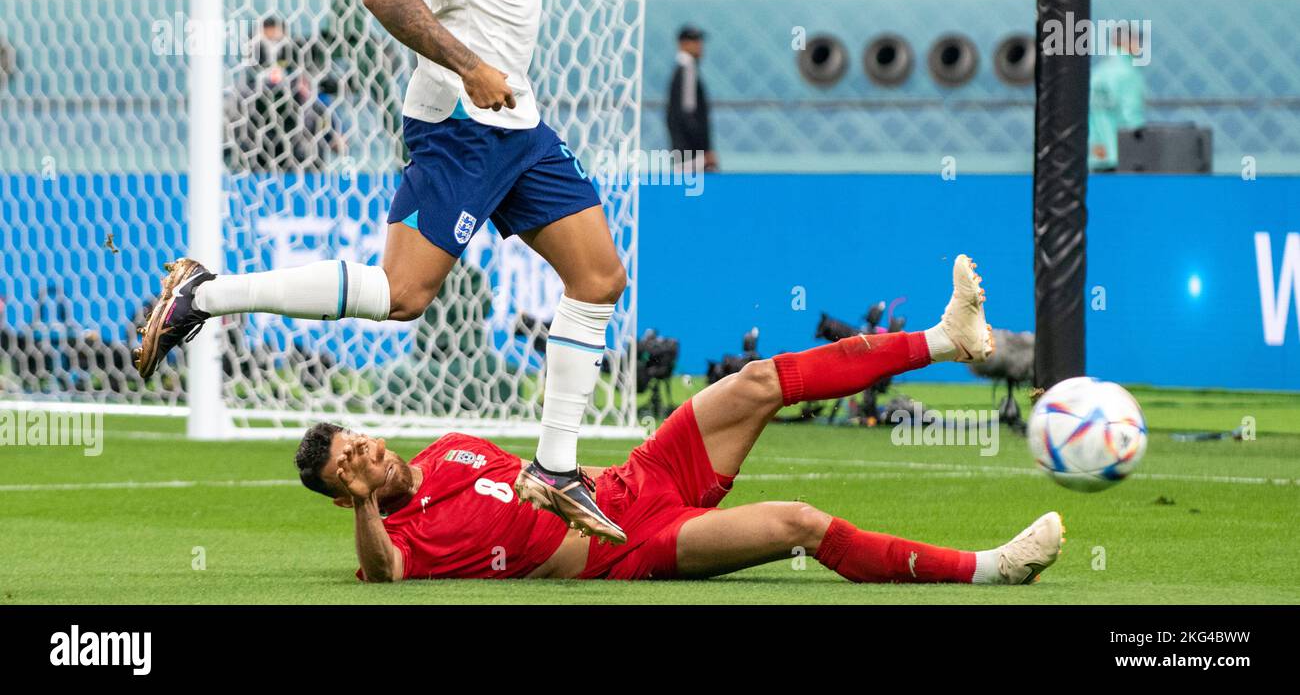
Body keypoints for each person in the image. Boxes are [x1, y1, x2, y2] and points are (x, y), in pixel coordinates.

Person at [134, 0, 629, 545]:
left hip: (516, 119)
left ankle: (556, 467)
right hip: (462, 122)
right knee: (404, 295)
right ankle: (205, 294)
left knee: (599, 274)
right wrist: (470, 65)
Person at [295, 256, 1066, 586]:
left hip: (643, 476)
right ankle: (991, 567)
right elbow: (383, 575)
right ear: (343, 494)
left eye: (357, 443)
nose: (363, 456)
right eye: (348, 469)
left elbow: (546, 478)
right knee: (799, 520)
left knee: (757, 377)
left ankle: (944, 337)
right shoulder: (397, 542)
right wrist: (366, 503)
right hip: (636, 546)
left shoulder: (451, 447)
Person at [1089, 28, 1146, 171]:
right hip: (1120, 154)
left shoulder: (1097, 73)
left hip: (1096, 151)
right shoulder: (1128, 74)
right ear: (1130, 43)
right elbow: (1131, 116)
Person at [666, 26, 716, 172]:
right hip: (690, 153)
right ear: (682, 44)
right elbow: (688, 113)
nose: (699, 45)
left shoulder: (683, 70)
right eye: (694, 41)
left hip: (684, 151)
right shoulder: (688, 70)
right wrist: (704, 150)